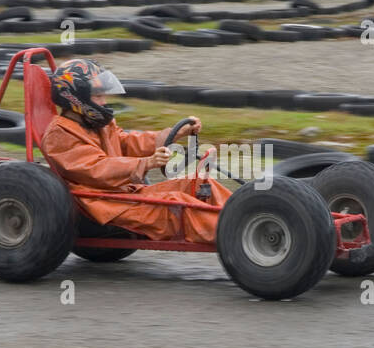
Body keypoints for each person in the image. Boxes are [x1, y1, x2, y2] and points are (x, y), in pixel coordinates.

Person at [41, 59, 231, 243]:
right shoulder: (59, 135)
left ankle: (248, 212)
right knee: (177, 205)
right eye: (98, 95)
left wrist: (174, 134)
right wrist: (145, 163)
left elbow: (126, 142)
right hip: (104, 204)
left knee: (199, 183)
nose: (104, 101)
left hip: (126, 193)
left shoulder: (96, 123)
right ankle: (239, 232)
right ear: (76, 98)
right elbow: (95, 168)